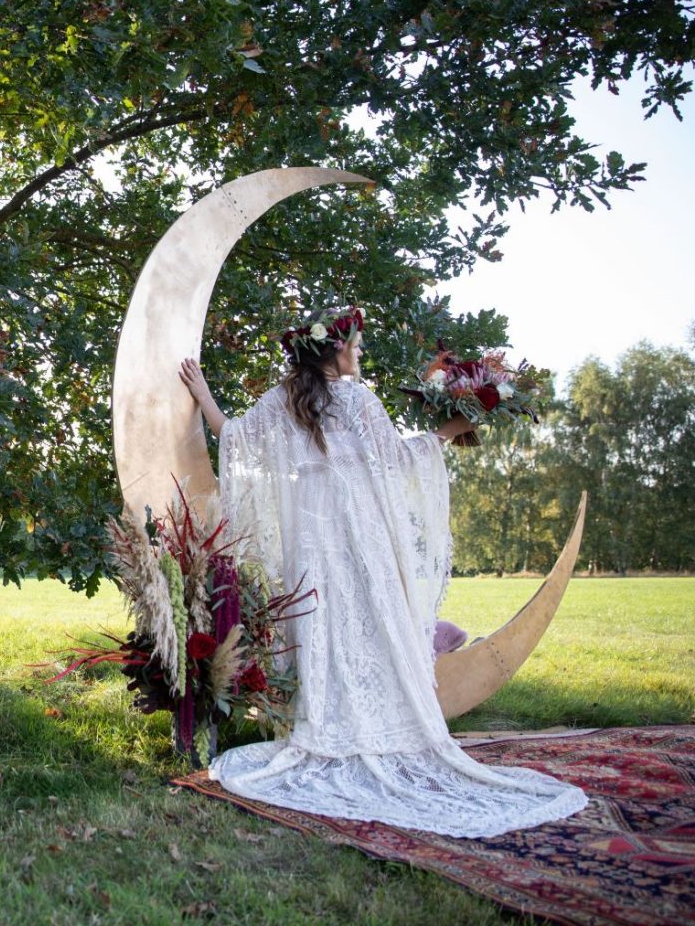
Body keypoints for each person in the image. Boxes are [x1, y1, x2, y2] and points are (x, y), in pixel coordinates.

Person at [177, 306, 586, 839]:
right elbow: (397, 461)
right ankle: (361, 723)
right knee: (369, 616)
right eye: (358, 345)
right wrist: (448, 431)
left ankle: (332, 717)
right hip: (354, 528)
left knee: (323, 613)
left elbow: (232, 436)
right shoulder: (356, 400)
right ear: (336, 349)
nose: (361, 353)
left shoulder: (286, 402)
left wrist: (203, 391)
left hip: (313, 527)